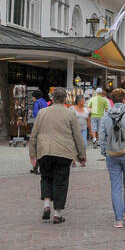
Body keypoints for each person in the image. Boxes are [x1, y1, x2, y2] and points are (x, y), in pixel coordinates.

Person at [29, 87, 88, 224]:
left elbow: (34, 135)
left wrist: (33, 154)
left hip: (45, 150)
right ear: (65, 99)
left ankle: (47, 204)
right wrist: (81, 155)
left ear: (52, 98)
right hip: (64, 152)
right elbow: (77, 136)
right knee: (61, 181)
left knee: (46, 177)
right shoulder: (70, 113)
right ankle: (57, 213)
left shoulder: (42, 113)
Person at [98, 88, 125, 229]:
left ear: (112, 100)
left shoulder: (106, 116)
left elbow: (102, 136)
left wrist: (104, 151)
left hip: (112, 154)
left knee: (115, 186)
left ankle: (118, 220)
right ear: (124, 99)